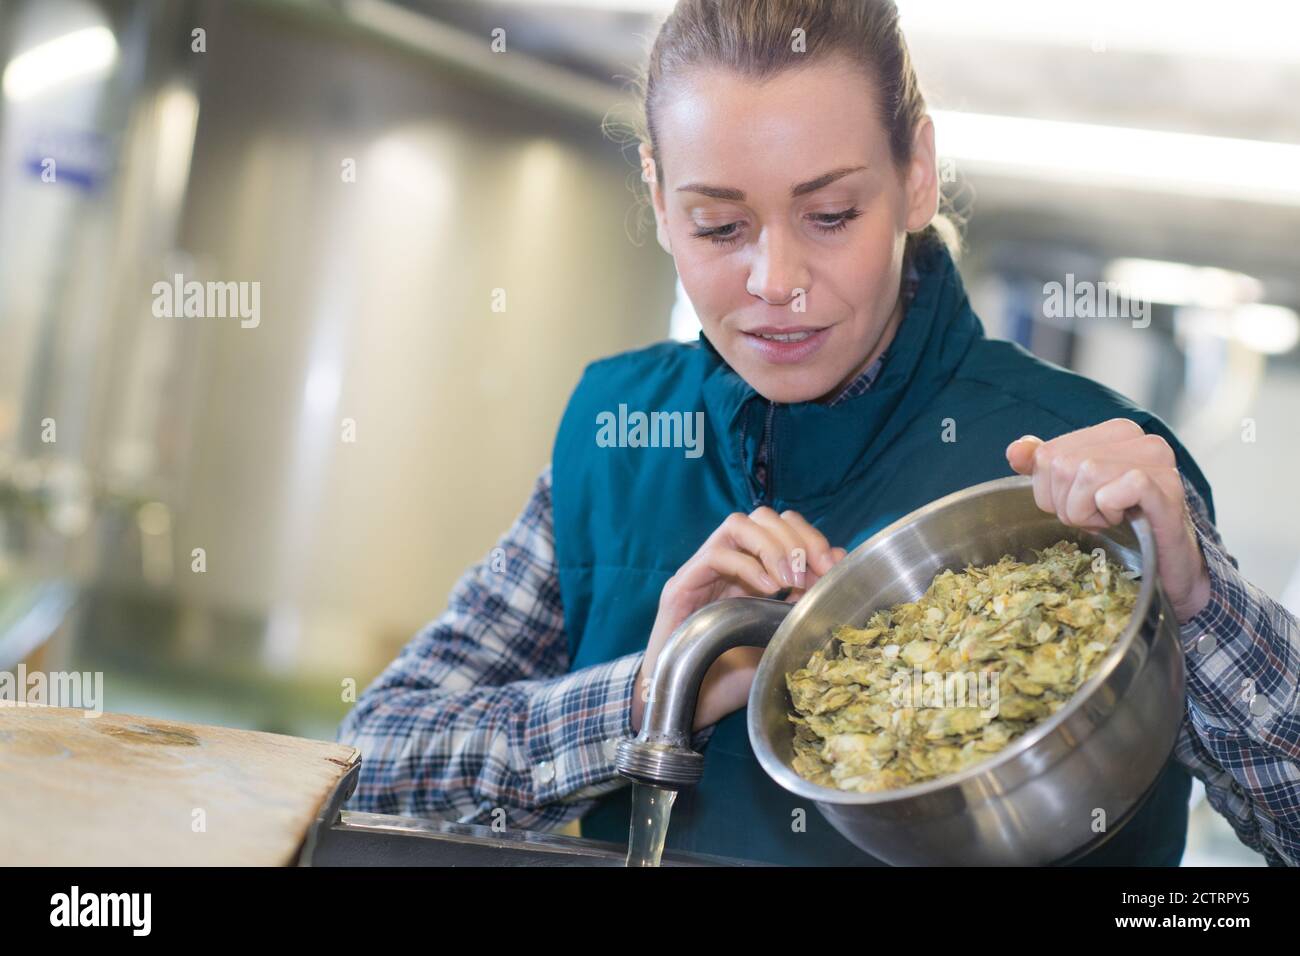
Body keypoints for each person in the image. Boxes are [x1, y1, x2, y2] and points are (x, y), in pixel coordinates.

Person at [338, 0, 1298, 866]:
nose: (776, 280)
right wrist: (650, 696)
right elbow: (365, 767)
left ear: (916, 176)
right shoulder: (616, 437)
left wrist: (1201, 606)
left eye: (831, 214)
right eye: (719, 226)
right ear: (658, 198)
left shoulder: (1089, 459)